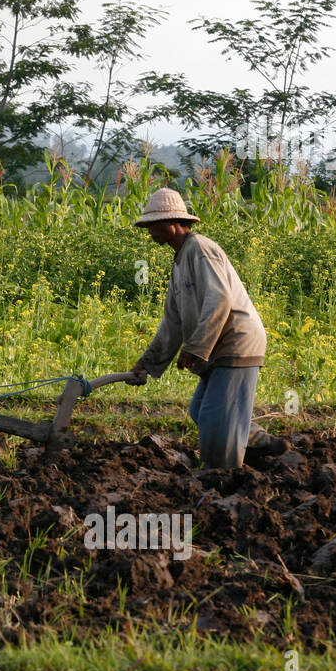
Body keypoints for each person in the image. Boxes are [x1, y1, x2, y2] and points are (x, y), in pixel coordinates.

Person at [129, 187, 287, 468]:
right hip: (217, 348)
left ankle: (222, 476)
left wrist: (196, 347)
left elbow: (220, 298)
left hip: (235, 342)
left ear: (174, 223)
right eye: (149, 224)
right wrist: (147, 363)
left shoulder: (201, 248)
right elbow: (172, 323)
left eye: (155, 224)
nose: (150, 230)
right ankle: (263, 446)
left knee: (215, 417)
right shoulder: (179, 263)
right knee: (201, 411)